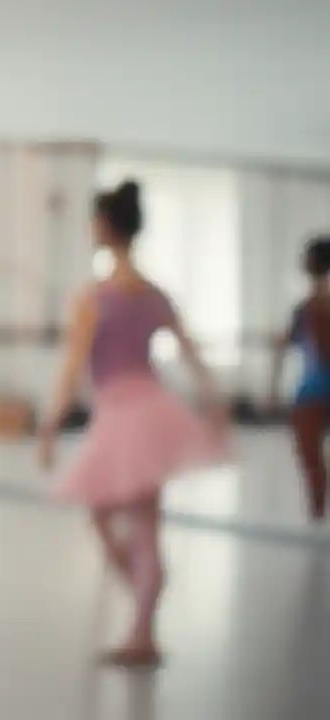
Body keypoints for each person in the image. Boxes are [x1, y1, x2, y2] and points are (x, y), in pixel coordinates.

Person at [38, 180, 227, 668]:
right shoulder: (152, 293)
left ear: (103, 226)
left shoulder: (94, 297)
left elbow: (72, 367)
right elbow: (192, 356)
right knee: (132, 523)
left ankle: (143, 629)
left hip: (127, 414)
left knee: (127, 524)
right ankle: (146, 609)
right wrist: (213, 403)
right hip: (148, 411)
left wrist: (50, 425)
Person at [270, 235, 330, 521]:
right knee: (311, 463)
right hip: (311, 392)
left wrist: (271, 388)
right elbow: (282, 348)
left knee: (311, 464)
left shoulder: (305, 309)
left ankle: (317, 516)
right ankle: (316, 517)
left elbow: (281, 349)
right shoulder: (303, 309)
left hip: (312, 392)